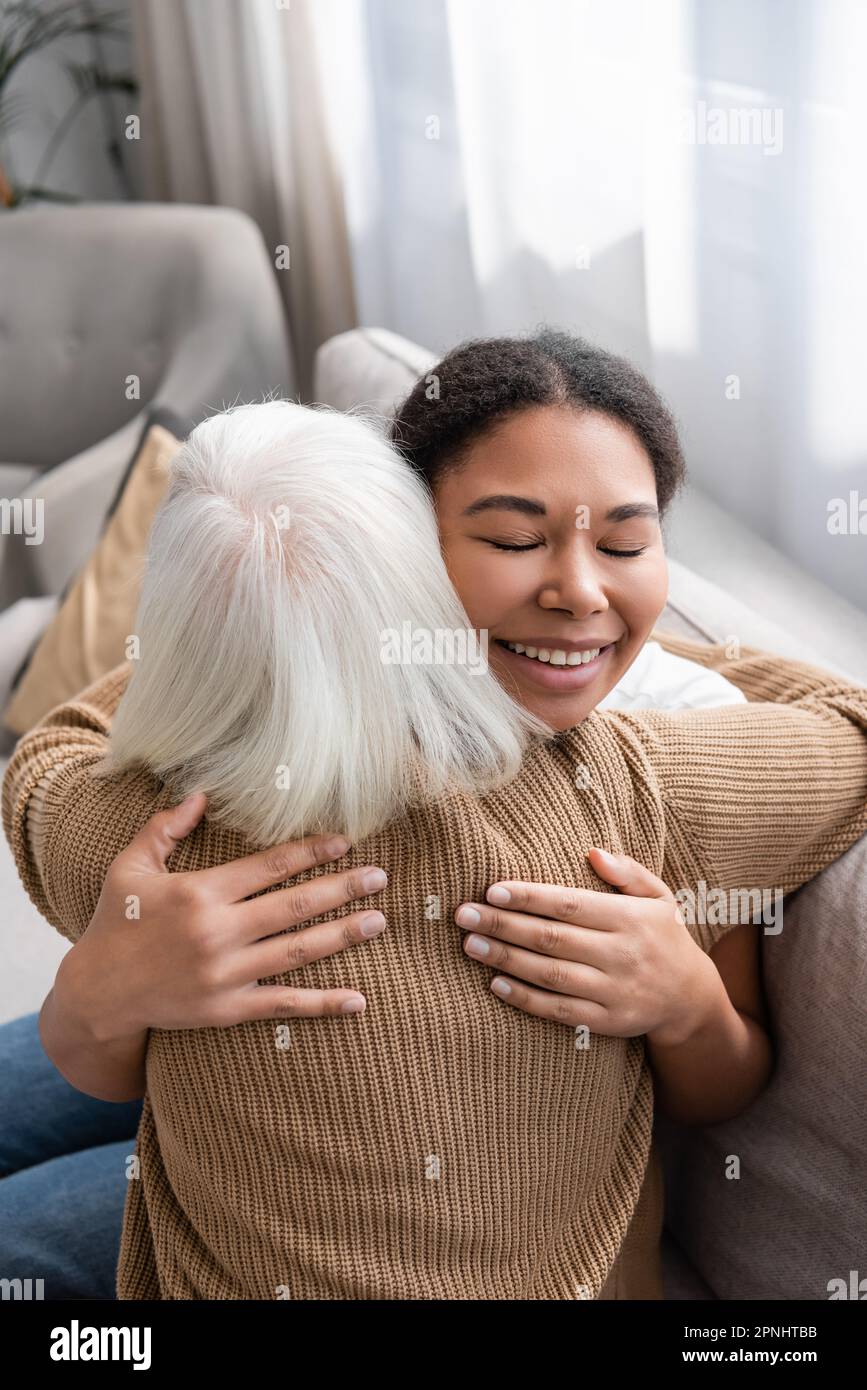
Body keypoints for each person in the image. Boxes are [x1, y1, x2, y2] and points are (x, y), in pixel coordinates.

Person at [5, 336, 865, 1299]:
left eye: (625, 543)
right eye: (509, 540)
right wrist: (106, 989)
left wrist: (680, 998)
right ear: (393, 544)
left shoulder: (683, 732)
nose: (579, 590)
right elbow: (142, 705)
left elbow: (726, 1078)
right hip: (223, 1079)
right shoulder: (309, 668)